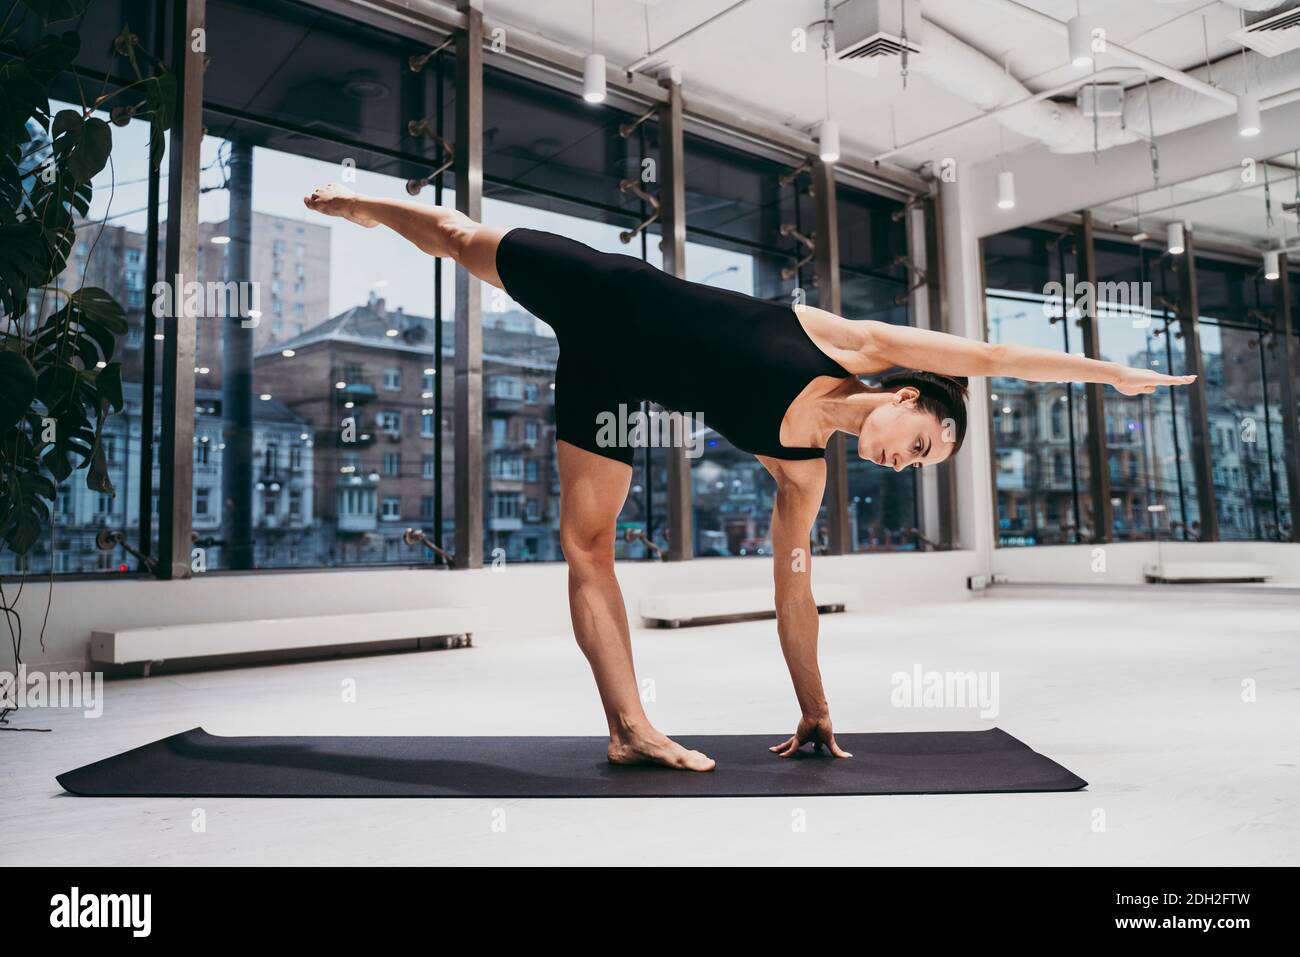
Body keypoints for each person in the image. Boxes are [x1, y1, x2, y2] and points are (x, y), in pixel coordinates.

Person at [304, 183, 1195, 772]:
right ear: (908, 394)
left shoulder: (799, 474)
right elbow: (994, 353)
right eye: (921, 442)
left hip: (611, 385)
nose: (904, 460)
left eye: (919, 466)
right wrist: (1108, 373)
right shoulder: (855, 342)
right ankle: (373, 206)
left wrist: (814, 707)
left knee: (588, 547)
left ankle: (628, 729)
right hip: (609, 293)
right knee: (458, 237)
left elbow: (794, 595)